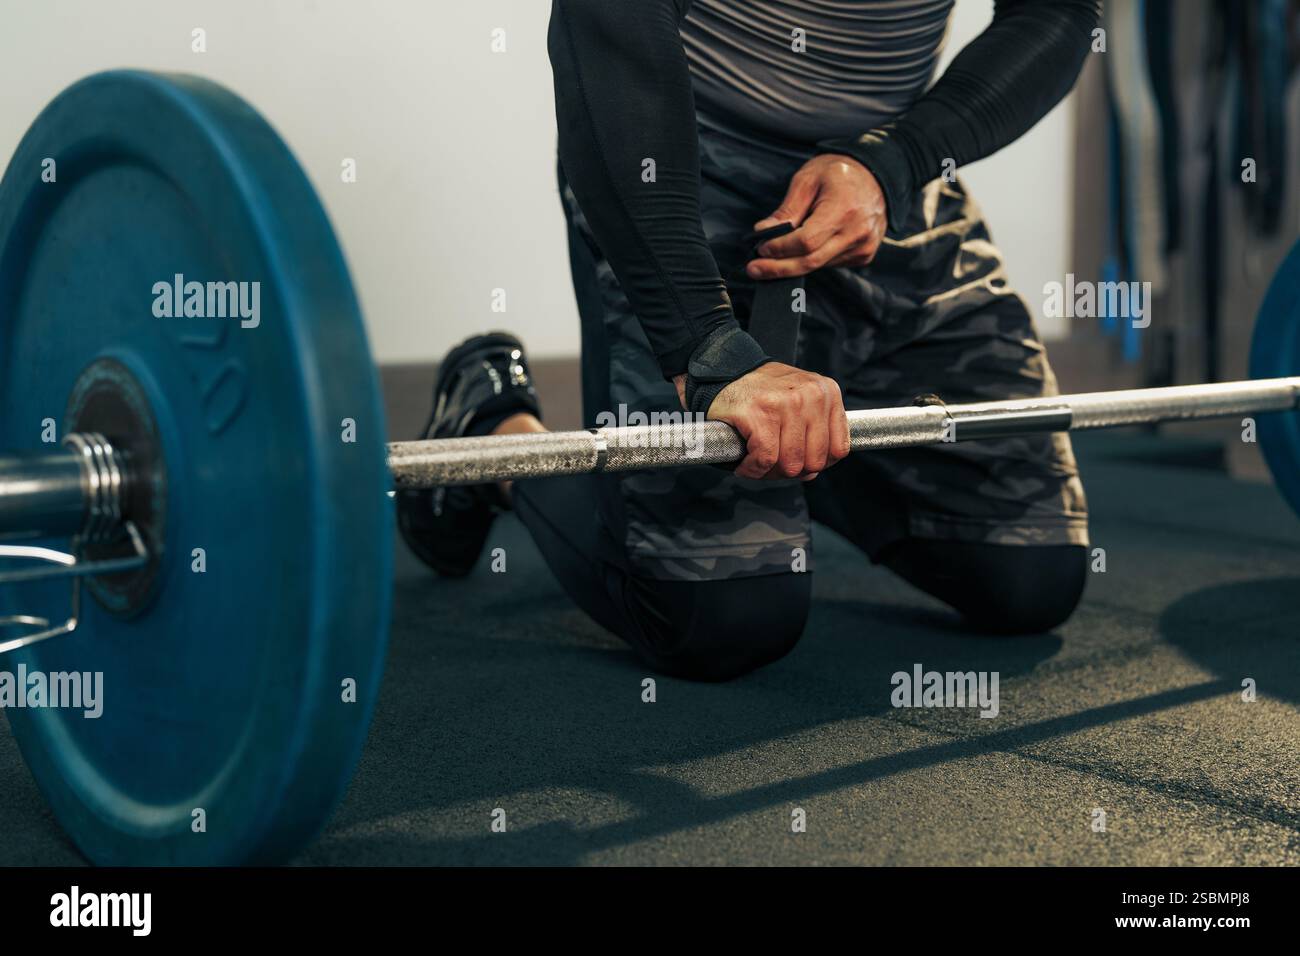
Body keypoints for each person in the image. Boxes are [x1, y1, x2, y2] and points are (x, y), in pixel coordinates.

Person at [398, 0, 1098, 681]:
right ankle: (494, 427)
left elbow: (1056, 13)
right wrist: (707, 350)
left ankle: (800, 457)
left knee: (1030, 573)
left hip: (879, 181)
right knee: (719, 619)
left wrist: (894, 164)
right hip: (679, 165)